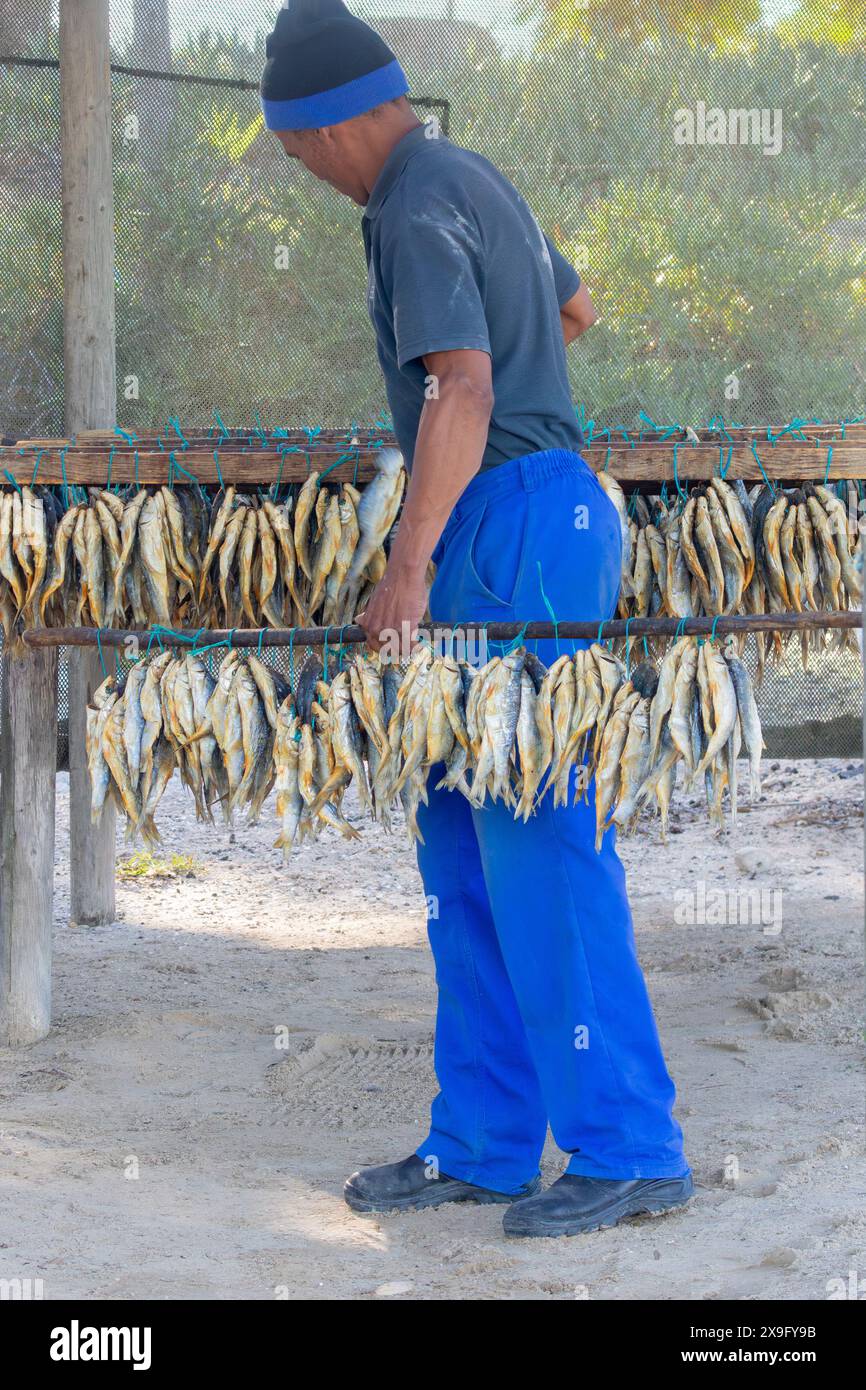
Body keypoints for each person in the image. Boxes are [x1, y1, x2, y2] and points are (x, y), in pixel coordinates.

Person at [261, 0, 692, 1237]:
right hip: (513, 514)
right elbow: (573, 311)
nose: (307, 174)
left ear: (337, 120)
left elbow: (462, 382)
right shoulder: (468, 177)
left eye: (300, 151)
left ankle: (626, 1147)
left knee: (542, 843)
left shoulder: (406, 200)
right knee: (459, 850)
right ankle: (486, 1142)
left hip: (510, 529)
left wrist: (407, 566)